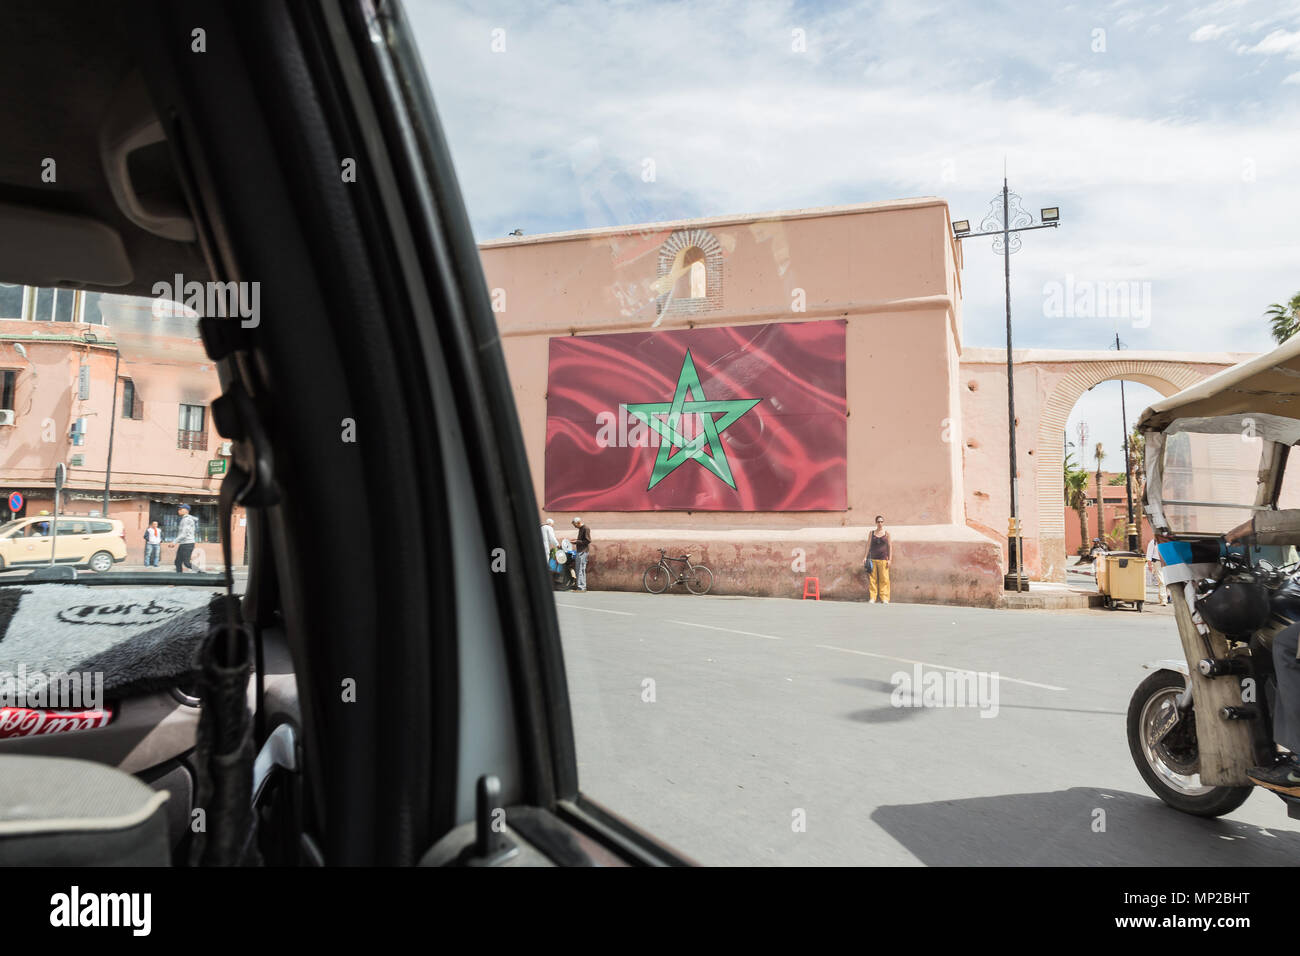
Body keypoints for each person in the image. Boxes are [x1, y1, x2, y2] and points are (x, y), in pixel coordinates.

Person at [865, 515, 891, 604]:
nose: (880, 523)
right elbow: (868, 545)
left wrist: (890, 559)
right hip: (873, 559)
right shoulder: (871, 533)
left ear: (883, 523)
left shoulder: (887, 533)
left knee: (884, 579)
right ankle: (873, 597)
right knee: (873, 579)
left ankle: (884, 598)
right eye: (878, 521)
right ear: (876, 522)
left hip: (883, 559)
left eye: (881, 521)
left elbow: (890, 547)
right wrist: (865, 557)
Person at [1145, 536, 1167, 606]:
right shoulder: (1153, 542)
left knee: (1165, 581)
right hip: (1157, 563)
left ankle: (1162, 597)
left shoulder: (1166, 541)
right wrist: (1149, 565)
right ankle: (1164, 599)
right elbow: (1149, 555)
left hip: (1166, 563)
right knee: (1162, 581)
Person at [174, 503, 197, 572]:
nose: (179, 510)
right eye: (179, 509)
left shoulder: (187, 520)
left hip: (188, 544)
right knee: (177, 562)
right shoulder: (184, 519)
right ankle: (179, 577)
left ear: (187, 511)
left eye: (181, 509)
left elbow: (184, 534)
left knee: (186, 563)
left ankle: (201, 572)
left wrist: (174, 542)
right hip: (184, 543)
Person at [571, 517, 591, 592]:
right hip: (581, 551)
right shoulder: (581, 528)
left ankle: (581, 587)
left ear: (579, 523)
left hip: (582, 551)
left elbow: (587, 540)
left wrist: (576, 542)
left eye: (575, 525)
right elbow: (582, 540)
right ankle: (582, 587)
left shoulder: (585, 528)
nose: (575, 527)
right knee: (581, 569)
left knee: (579, 569)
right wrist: (576, 540)